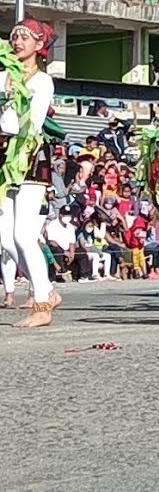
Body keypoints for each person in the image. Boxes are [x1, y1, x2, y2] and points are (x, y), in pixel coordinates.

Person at [0, 20, 62, 326]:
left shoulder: (41, 81)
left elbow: (29, 124)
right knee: (6, 236)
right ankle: (47, 290)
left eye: (25, 37)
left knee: (24, 235)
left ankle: (42, 306)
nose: (17, 41)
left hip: (28, 158)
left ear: (39, 45)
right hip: (3, 160)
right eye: (14, 37)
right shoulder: (3, 77)